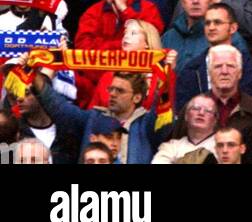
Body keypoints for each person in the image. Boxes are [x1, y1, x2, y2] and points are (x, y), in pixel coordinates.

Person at [31, 68, 159, 164]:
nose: (112, 94)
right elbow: (58, 106)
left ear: (137, 97)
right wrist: (32, 74)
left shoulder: (148, 123)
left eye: (120, 91)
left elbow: (164, 106)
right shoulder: (93, 118)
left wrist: (167, 74)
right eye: (111, 89)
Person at [151, 94, 218, 164]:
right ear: (186, 116)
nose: (201, 113)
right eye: (196, 108)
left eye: (208, 111)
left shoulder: (224, 144)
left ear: (215, 120)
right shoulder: (171, 147)